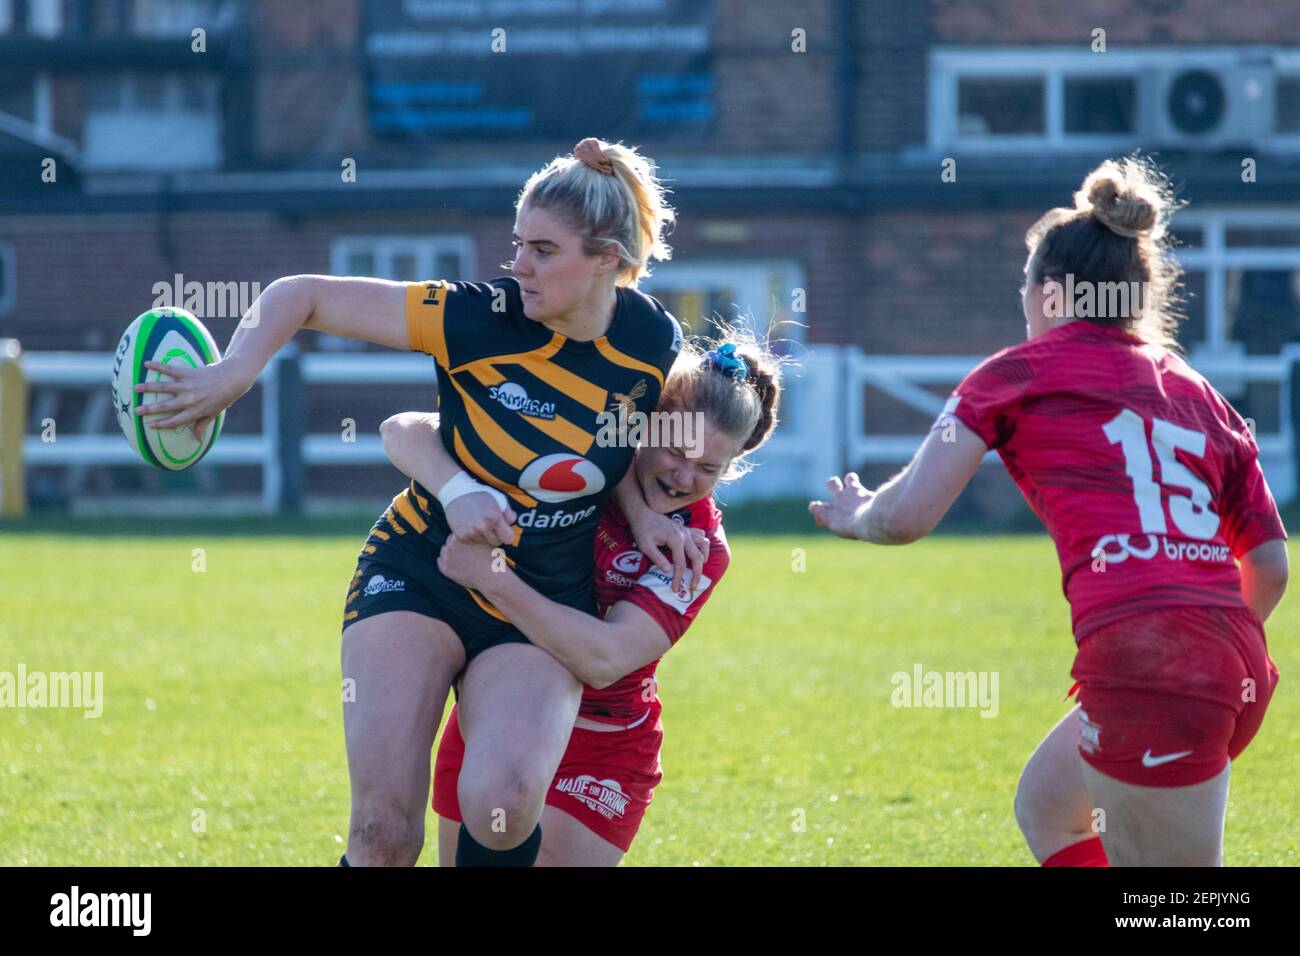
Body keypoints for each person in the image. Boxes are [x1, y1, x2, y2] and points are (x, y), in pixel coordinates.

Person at [131, 138, 708, 866]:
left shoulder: (651, 339)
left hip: (539, 595)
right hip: (420, 569)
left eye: (542, 250)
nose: (518, 265)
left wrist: (647, 511)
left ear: (605, 259)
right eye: (517, 244)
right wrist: (234, 372)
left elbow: (606, 440)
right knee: (383, 833)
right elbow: (299, 294)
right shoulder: (473, 317)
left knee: (501, 806)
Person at [809, 156, 1288, 867]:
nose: (1024, 301)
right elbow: (1272, 566)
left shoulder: (1015, 373)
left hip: (1149, 662)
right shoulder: (1199, 392)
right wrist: (1209, 645)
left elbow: (907, 516)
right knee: (1050, 809)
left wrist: (858, 517)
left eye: (1026, 284)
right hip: (1232, 655)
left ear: (1056, 293)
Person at [380, 332, 782, 864]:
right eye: (676, 452)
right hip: (501, 716)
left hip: (606, 742)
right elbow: (404, 429)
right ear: (644, 426)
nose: (685, 477)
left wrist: (493, 578)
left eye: (709, 469)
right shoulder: (572, 465)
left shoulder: (699, 549)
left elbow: (604, 660)